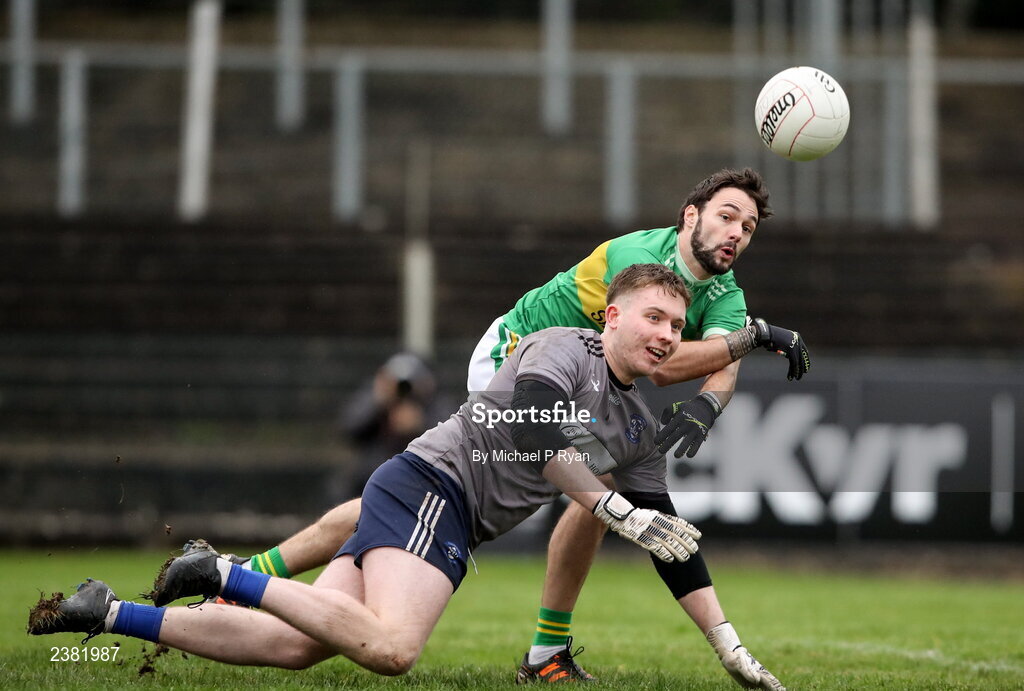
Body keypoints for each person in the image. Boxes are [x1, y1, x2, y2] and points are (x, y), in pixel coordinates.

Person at [167, 167, 801, 687]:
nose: (737, 233)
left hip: (577, 386)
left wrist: (714, 401)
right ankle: (545, 651)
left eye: (748, 226)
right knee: (551, 483)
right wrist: (749, 341)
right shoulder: (639, 257)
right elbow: (665, 367)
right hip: (520, 357)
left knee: (426, 500)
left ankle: (249, 572)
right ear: (690, 216)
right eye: (726, 216)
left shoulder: (723, 292)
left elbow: (719, 363)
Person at [31, 264, 721, 681]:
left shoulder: (640, 423)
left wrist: (732, 645)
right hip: (436, 489)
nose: (665, 333)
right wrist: (617, 512)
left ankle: (110, 610)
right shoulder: (563, 346)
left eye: (676, 326)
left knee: (298, 643)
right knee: (392, 648)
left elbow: (675, 541)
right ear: (612, 316)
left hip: (431, 498)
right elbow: (541, 428)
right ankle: (221, 573)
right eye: (653, 316)